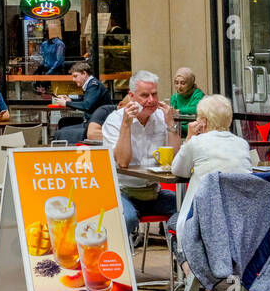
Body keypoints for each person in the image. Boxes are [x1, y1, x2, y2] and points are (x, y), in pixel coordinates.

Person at [169, 93, 257, 291]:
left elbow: (178, 170)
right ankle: (244, 278)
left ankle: (192, 274)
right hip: (240, 222)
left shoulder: (197, 143)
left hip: (203, 220)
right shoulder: (242, 144)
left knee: (173, 223)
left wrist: (190, 137)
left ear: (204, 121)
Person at [102, 70, 183, 242]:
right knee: (128, 218)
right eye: (144, 95)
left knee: (190, 212)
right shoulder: (114, 121)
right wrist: (126, 124)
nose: (151, 101)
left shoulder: (162, 118)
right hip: (122, 191)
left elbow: (176, 160)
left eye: (154, 94)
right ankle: (119, 266)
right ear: (131, 96)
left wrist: (171, 125)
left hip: (154, 192)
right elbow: (122, 162)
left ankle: (182, 262)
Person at [53, 61, 110, 143]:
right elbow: (85, 100)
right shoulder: (91, 85)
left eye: (75, 76)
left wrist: (66, 103)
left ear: (84, 73)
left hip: (95, 126)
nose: (73, 79)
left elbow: (86, 105)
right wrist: (71, 100)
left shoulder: (94, 86)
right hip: (90, 122)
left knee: (60, 133)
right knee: (63, 122)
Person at [169, 67, 204, 137]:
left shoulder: (198, 94)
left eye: (183, 83)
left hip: (196, 131)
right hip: (178, 131)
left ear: (190, 83)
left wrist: (178, 111)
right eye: (176, 83)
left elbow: (196, 109)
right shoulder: (174, 97)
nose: (179, 87)